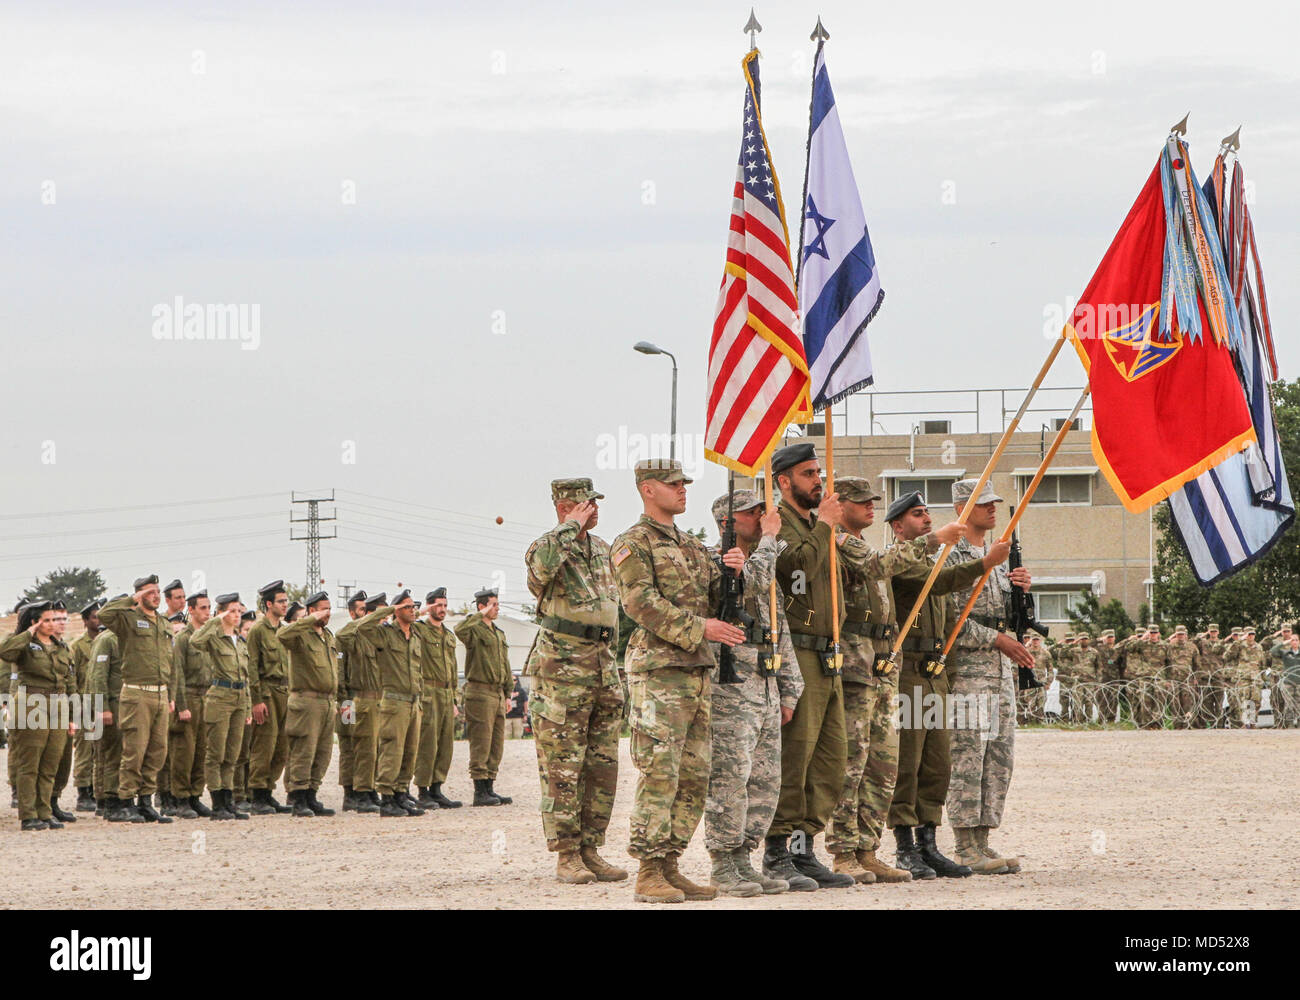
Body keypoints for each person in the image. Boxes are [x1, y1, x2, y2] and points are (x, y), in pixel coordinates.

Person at [610, 458, 744, 904]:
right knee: (660, 771)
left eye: (684, 483)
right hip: (660, 671)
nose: (682, 490)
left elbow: (715, 599)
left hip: (696, 671)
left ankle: (671, 863)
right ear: (648, 489)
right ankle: (648, 871)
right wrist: (698, 627)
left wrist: (733, 571)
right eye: (672, 484)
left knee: (693, 774)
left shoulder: (690, 545)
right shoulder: (632, 543)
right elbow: (639, 602)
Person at [826, 476, 964, 885]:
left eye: (873, 501)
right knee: (855, 763)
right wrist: (933, 540)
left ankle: (869, 850)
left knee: (883, 766)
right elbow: (878, 567)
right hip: (857, 663)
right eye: (862, 501)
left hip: (883, 661)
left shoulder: (862, 543)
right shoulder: (840, 541)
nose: (871, 506)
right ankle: (846, 851)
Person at [886, 491, 1004, 879]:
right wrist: (984, 564)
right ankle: (905, 846)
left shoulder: (930, 559)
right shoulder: (902, 562)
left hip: (934, 673)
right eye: (917, 516)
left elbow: (947, 619)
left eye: (926, 514)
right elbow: (940, 583)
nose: (925, 520)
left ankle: (928, 843)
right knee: (909, 762)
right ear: (898, 527)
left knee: (936, 764)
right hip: (909, 673)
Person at [524, 477, 627, 884]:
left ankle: (591, 848)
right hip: (561, 671)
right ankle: (566, 854)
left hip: (602, 663)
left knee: (601, 765)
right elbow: (539, 571)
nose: (595, 509)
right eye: (587, 503)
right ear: (565, 505)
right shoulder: (546, 546)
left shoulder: (602, 550)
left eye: (596, 502)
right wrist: (569, 527)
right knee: (563, 766)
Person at [703, 489, 805, 896]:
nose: (763, 517)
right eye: (753, 513)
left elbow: (779, 631)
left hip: (764, 684)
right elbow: (750, 582)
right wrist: (769, 542)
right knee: (730, 777)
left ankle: (745, 857)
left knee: (765, 779)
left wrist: (790, 688)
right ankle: (723, 861)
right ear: (728, 522)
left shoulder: (763, 560)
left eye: (764, 512)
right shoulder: (716, 563)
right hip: (731, 687)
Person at [763, 442, 854, 889]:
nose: (819, 480)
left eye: (818, 472)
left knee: (829, 760)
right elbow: (797, 567)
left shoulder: (817, 524)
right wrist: (826, 527)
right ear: (784, 482)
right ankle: (776, 851)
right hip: (798, 652)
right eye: (808, 473)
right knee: (794, 757)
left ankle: (804, 848)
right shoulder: (780, 526)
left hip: (829, 654)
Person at [943, 478, 1035, 876]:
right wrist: (997, 639)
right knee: (968, 756)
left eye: (995, 502)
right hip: (967, 671)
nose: (992, 509)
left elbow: (1009, 615)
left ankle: (983, 837)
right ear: (963, 507)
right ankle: (964, 844)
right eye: (984, 503)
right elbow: (948, 621)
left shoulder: (1000, 552)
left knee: (999, 757)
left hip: (999, 672)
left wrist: (1024, 592)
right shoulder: (951, 555)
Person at [97, 576, 176, 824]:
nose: (156, 595)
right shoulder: (128, 620)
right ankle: (125, 801)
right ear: (139, 595)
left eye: (158, 591)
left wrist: (170, 695)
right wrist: (131, 599)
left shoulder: (163, 623)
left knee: (157, 751)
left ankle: (146, 801)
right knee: (134, 750)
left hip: (160, 693)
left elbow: (169, 662)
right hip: (136, 693)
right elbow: (104, 615)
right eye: (150, 592)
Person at [1, 601, 75, 830]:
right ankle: (28, 814)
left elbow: (70, 681)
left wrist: (73, 715)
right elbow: (5, 651)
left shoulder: (61, 646)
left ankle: (44, 811)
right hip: (31, 703)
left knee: (50, 762)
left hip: (58, 704)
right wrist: (28, 632)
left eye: (55, 619)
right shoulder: (24, 644)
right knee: (29, 762)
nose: (53, 624)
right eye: (47, 620)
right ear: (35, 622)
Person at [357, 590, 426, 817]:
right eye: (407, 607)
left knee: (410, 752)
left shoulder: (415, 636)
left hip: (413, 702)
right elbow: (363, 627)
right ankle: (386, 799)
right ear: (397, 611)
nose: (413, 610)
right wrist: (389, 610)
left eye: (414, 607)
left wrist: (421, 700)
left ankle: (400, 794)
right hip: (394, 701)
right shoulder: (385, 634)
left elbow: (418, 671)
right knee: (392, 750)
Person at [279, 591, 342, 817]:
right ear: (312, 610)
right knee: (303, 750)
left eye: (329, 608)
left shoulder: (328, 636)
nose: (328, 613)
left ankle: (312, 794)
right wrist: (307, 619)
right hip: (306, 701)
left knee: (322, 752)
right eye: (323, 609)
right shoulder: (300, 634)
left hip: (326, 701)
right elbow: (282, 634)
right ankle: (297, 796)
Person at [193, 594, 252, 820]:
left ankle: (229, 801)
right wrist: (216, 621)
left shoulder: (240, 640)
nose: (237, 616)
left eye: (239, 612)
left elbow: (246, 676)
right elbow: (195, 641)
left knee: (232, 754)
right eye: (232, 611)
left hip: (239, 696)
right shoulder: (214, 636)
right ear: (223, 613)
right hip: (220, 696)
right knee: (215, 753)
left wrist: (247, 708)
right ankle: (217, 802)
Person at [456, 588, 515, 806]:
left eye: (497, 604)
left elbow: (505, 666)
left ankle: (490, 786)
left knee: (496, 743)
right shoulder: (474, 629)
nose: (497, 608)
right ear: (482, 606)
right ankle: (479, 790)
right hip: (479, 692)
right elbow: (459, 629)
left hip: (498, 693)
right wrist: (479, 615)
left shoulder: (498, 633)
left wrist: (508, 693)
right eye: (493, 604)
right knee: (481, 741)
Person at [411, 589, 461, 809]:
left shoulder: (448, 635)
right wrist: (420, 612)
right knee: (428, 743)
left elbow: (453, 667)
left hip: (446, 693)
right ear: (430, 607)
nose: (442, 609)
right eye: (438, 605)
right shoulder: (420, 630)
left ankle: (437, 788)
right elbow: (399, 625)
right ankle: (423, 790)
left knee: (445, 744)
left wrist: (455, 699)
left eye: (444, 605)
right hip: (429, 692)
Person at [246, 580, 292, 814]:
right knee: (265, 743)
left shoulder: (284, 630)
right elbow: (252, 666)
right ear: (268, 604)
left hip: (285, 691)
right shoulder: (257, 630)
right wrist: (256, 700)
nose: (285, 605)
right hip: (266, 690)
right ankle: (257, 794)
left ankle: (269, 789)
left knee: (282, 746)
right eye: (281, 601)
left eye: (286, 601)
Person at [168, 590, 213, 820]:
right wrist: (182, 705)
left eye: (209, 607)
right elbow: (177, 674)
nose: (207, 612)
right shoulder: (184, 638)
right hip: (190, 697)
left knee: (202, 750)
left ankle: (196, 795)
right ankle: (181, 798)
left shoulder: (208, 637)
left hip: (207, 697)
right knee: (184, 751)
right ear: (191, 610)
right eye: (202, 608)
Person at [348, 592, 387, 813]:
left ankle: (371, 789)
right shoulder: (355, 636)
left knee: (376, 749)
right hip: (356, 701)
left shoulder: (382, 638)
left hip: (380, 700)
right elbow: (342, 673)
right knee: (359, 748)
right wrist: (345, 710)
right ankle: (357, 792)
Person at [86, 608, 125, 818]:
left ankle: (117, 797)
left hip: (126, 702)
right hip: (110, 702)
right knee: (108, 753)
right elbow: (97, 677)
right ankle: (105, 800)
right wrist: (101, 708)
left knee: (121, 753)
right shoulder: (107, 639)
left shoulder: (126, 638)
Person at [67, 599, 105, 813]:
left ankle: (96, 789)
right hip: (84, 703)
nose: (98, 621)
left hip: (101, 703)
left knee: (100, 750)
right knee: (84, 750)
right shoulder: (78, 646)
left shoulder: (106, 641)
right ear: (85, 621)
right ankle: (83, 792)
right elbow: (72, 678)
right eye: (93, 617)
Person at [335, 590, 368, 811]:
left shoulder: (368, 637)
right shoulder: (344, 636)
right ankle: (349, 793)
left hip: (365, 699)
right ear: (351, 612)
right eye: (362, 610)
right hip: (348, 700)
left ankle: (363, 789)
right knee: (348, 746)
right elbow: (339, 670)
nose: (366, 613)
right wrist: (341, 700)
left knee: (365, 745)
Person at [1117, 625, 1167, 728]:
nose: (1153, 635)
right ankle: (1146, 725)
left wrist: (1168, 678)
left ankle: (1157, 724)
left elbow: (1169, 662)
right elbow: (1129, 648)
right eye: (1151, 633)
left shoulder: (1164, 645)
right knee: (1145, 701)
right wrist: (1143, 638)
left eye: (1155, 633)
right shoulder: (1142, 645)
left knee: (1159, 701)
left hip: (1159, 677)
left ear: (1158, 634)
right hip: (1145, 677)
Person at [1164, 626, 1201, 727]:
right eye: (1178, 634)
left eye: (1182, 634)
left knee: (1188, 702)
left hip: (1187, 678)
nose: (1180, 636)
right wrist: (1166, 679)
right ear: (1175, 635)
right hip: (1173, 678)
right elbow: (1164, 662)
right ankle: (1177, 726)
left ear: (1186, 635)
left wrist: (1196, 677)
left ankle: (1188, 725)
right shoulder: (1169, 646)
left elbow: (1197, 664)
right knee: (1174, 703)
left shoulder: (1192, 647)